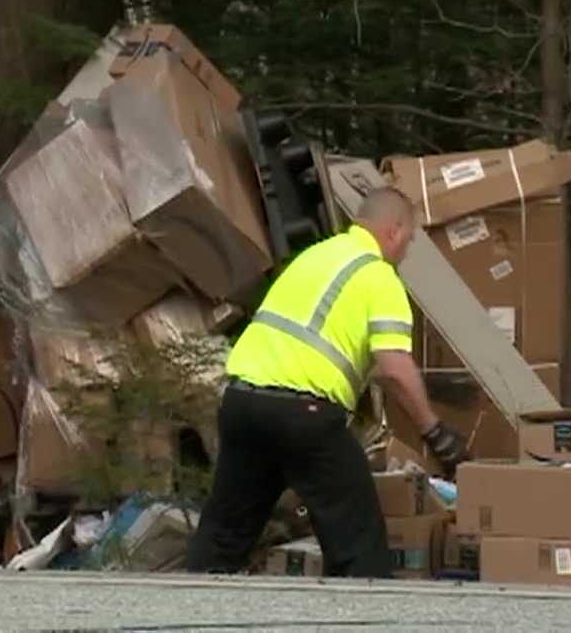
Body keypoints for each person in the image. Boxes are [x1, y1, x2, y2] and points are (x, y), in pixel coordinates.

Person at [184, 187, 470, 578]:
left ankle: (186, 612)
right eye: (409, 240)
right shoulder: (377, 275)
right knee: (359, 546)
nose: (406, 250)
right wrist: (434, 431)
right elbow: (394, 369)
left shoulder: (313, 257)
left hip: (241, 404)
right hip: (303, 414)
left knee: (223, 538)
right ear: (394, 230)